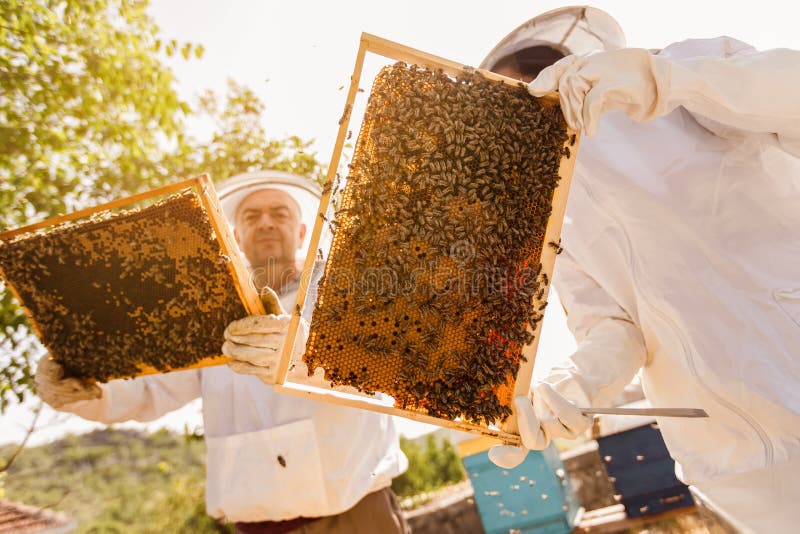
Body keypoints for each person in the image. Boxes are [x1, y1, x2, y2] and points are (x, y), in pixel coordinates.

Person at [480, 6, 800, 532]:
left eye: (525, 82)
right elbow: (613, 327)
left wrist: (666, 81)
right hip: (738, 465)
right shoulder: (546, 206)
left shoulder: (679, 74)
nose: (521, 100)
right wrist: (573, 387)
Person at [35, 169, 409, 534]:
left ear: (300, 232)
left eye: (279, 214)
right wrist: (86, 392)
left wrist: (304, 359)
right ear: (236, 235)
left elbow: (387, 375)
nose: (266, 223)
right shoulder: (207, 311)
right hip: (255, 525)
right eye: (252, 216)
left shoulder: (343, 292)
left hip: (357, 516)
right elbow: (150, 389)